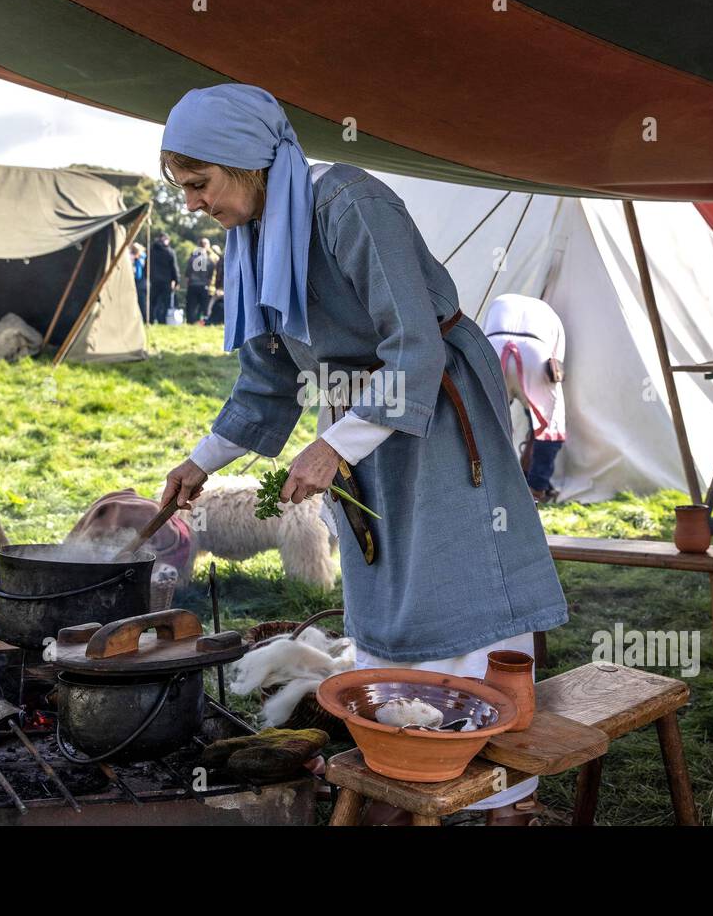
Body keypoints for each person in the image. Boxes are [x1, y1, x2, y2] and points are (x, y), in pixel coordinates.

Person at [157, 84, 567, 825]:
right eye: (182, 188)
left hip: (435, 412)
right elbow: (267, 378)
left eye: (198, 184)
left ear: (247, 163)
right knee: (386, 591)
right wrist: (200, 461)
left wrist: (334, 444)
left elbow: (415, 344)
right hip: (357, 429)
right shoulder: (253, 235)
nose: (191, 204)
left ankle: (501, 793)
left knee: (455, 578)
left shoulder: (346, 204)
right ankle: (405, 761)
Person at [483, 295, 567, 504]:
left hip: (493, 347)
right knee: (549, 427)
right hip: (536, 354)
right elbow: (556, 367)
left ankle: (490, 484)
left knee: (487, 420)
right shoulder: (549, 313)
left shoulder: (500, 301)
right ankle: (536, 490)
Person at [149, 232, 180, 323]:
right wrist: (176, 281)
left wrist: (147, 276)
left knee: (153, 302)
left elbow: (147, 265)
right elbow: (174, 267)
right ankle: (162, 320)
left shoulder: (151, 250)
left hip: (153, 280)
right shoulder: (169, 251)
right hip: (166, 281)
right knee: (164, 302)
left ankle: (150, 319)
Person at [186, 237, 215, 324]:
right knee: (204, 306)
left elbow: (187, 272)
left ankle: (191, 322)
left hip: (192, 284)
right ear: (206, 245)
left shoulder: (192, 257)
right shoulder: (208, 259)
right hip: (204, 285)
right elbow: (211, 271)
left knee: (191, 305)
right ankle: (204, 322)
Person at [206, 243, 226, 325]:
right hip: (220, 287)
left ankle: (209, 315)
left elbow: (219, 274)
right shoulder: (220, 259)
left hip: (219, 287)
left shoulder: (219, 259)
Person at [131, 241, 148, 322]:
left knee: (141, 302)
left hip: (139, 282)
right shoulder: (142, 258)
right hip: (141, 282)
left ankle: (143, 319)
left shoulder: (140, 259)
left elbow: (138, 274)